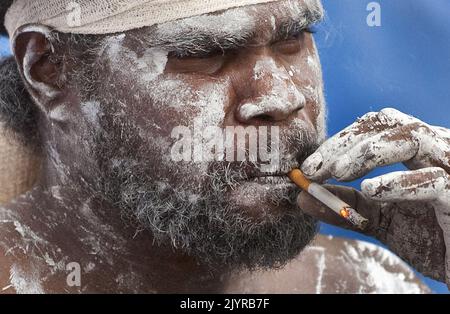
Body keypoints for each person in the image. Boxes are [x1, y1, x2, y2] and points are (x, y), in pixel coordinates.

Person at [0, 0, 447, 293]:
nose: (281, 97)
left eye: (291, 40)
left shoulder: (368, 283)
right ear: (50, 72)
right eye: (203, 52)